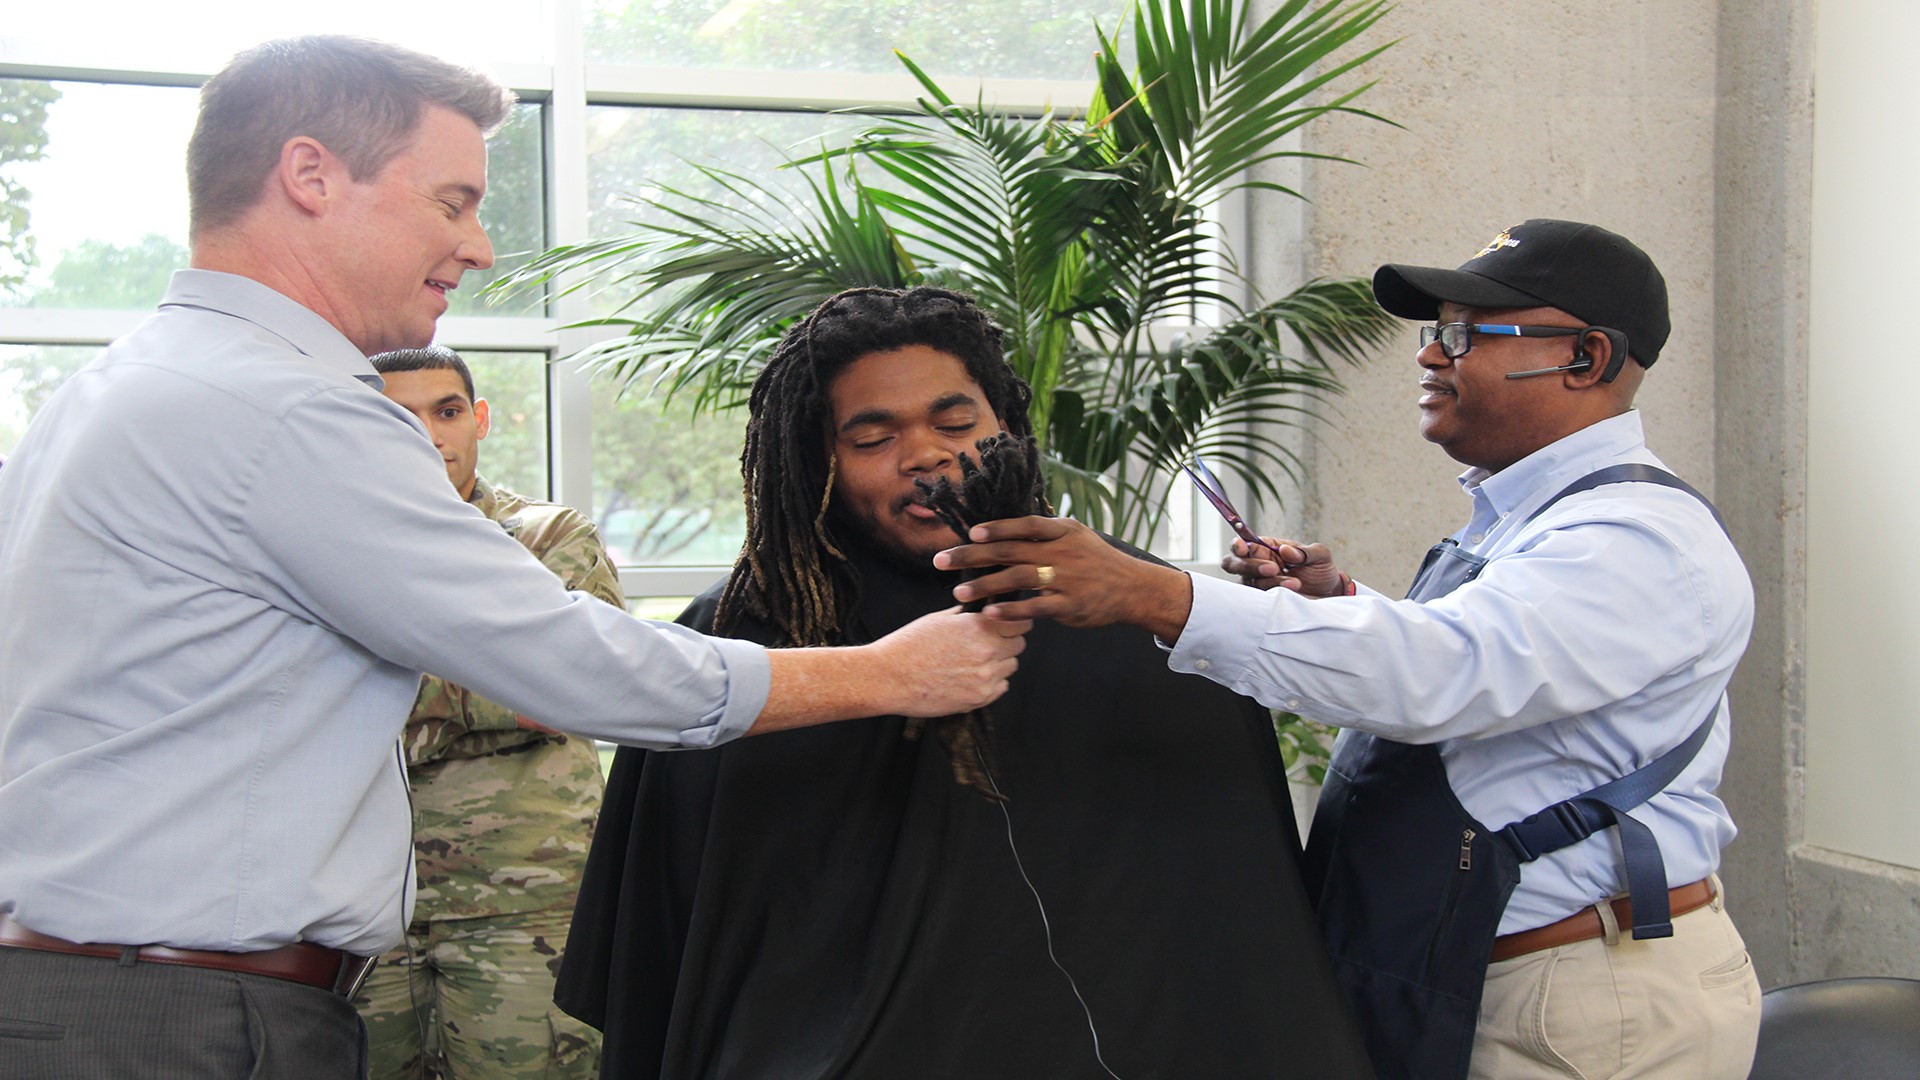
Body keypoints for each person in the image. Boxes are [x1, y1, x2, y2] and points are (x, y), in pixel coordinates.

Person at [0, 37, 1023, 1079]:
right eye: (451, 201)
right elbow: (577, 667)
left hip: (95, 993)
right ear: (310, 175)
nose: (479, 246)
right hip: (183, 1023)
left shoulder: (108, 391)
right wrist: (897, 671)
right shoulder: (290, 412)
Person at [937, 220, 1762, 1080]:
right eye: (1433, 331)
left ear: (1585, 359)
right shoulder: (1540, 521)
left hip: (1588, 1006)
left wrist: (1152, 593)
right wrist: (1338, 605)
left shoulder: (1633, 537)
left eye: (1464, 334)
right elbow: (1497, 677)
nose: (1430, 356)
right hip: (1502, 980)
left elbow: (1443, 672)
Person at [556, 286, 1375, 1079]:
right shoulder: (746, 635)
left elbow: (1239, 939)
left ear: (1006, 424)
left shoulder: (1143, 616)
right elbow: (671, 939)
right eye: (872, 439)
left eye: (957, 421)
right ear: (817, 462)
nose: (929, 454)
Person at [353, 345, 606, 1078]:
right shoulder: (327, 547)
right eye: (399, 417)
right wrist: (479, 673)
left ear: (480, 420)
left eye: (448, 411)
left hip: (526, 896)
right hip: (368, 905)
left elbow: (566, 683)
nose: (431, 435)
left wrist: (377, 688)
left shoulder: (547, 537)